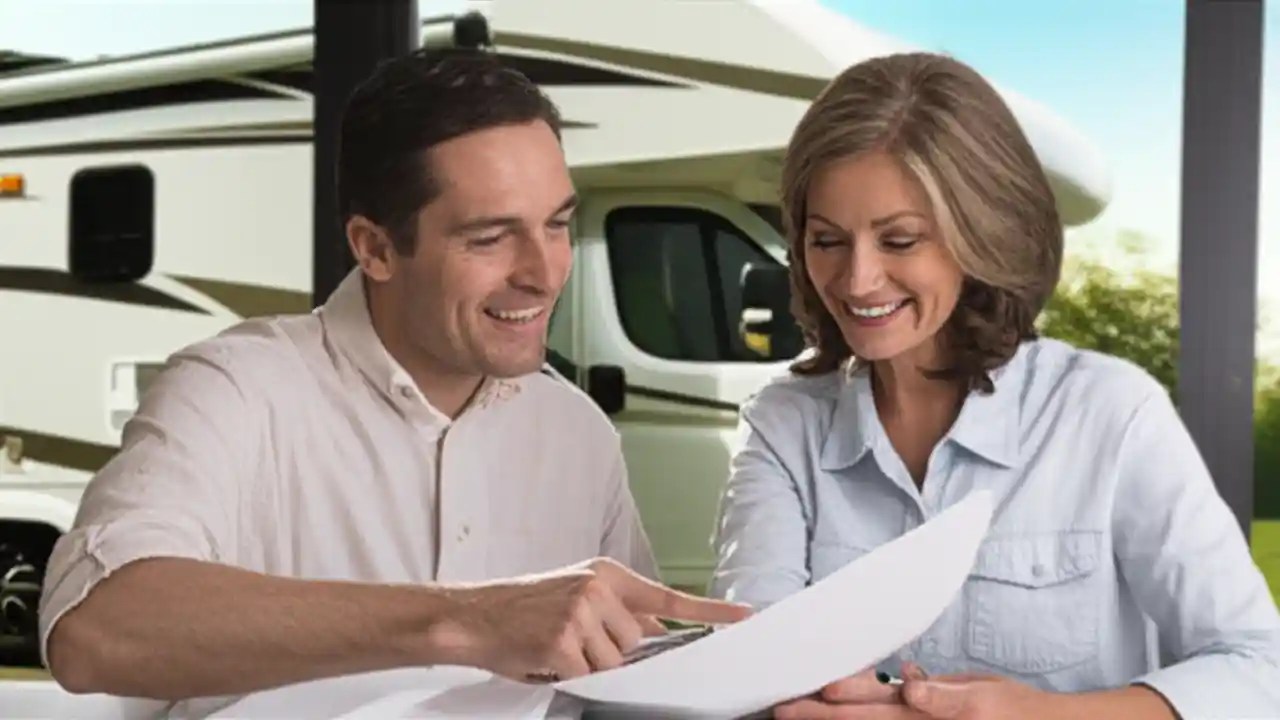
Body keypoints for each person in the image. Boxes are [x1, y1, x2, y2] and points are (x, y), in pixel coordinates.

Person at [38, 47, 749, 717]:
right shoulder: (238, 389)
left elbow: (626, 684)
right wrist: (465, 621)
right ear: (374, 248)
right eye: (490, 237)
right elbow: (95, 630)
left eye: (558, 224)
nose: (543, 271)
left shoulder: (578, 433)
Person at [709, 51, 1280, 720]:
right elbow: (748, 671)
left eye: (899, 241)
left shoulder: (1109, 416)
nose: (857, 279)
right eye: (828, 240)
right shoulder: (782, 427)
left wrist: (1042, 716)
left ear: (980, 232)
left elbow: (1258, 670)